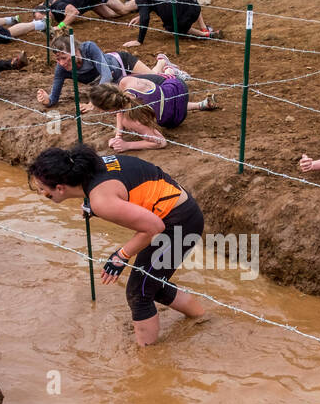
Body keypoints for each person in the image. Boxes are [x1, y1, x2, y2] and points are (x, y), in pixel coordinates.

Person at [29, 143, 207, 346]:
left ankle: (147, 358)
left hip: (178, 224)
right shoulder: (94, 167)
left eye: (42, 189)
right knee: (150, 284)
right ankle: (201, 319)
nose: (41, 193)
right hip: (179, 211)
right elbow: (121, 187)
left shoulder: (101, 200)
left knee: (138, 293)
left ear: (60, 188)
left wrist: (121, 255)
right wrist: (93, 206)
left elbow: (154, 227)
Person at [88, 74, 217, 149]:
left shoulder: (130, 119)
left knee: (160, 107)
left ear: (108, 109)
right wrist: (118, 136)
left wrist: (127, 145)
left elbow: (161, 142)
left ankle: (168, 70)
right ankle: (200, 104)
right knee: (159, 100)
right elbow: (120, 109)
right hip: (178, 85)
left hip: (176, 118)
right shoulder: (125, 82)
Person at [37, 35, 158, 109]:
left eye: (64, 58)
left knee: (156, 80)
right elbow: (54, 98)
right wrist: (48, 100)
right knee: (141, 88)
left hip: (123, 63)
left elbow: (107, 76)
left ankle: (161, 63)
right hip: (118, 83)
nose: (62, 63)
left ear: (76, 51)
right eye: (58, 59)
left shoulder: (89, 48)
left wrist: (93, 103)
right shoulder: (61, 69)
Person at [125, 0, 219, 44]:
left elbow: (145, 17)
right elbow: (155, 3)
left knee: (173, 24)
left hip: (179, 24)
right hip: (194, 10)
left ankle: (203, 34)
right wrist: (140, 16)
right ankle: (204, 28)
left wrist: (139, 41)